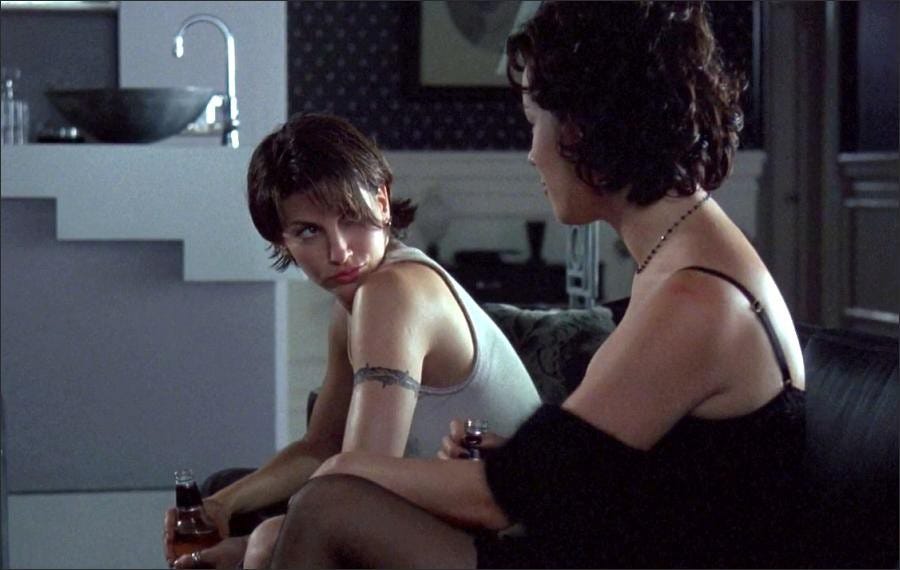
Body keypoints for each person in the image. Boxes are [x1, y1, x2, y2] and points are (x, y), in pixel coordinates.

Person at [265, 1, 807, 568]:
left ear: (583, 128)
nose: (531, 154)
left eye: (533, 122)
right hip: (607, 544)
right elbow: (623, 470)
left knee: (330, 504)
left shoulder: (696, 298)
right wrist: (516, 460)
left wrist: (346, 465)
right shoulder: (682, 261)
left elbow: (495, 501)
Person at [162, 113, 542, 569]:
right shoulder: (353, 306)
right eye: (308, 231)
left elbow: (350, 493)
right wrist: (222, 505)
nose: (339, 251)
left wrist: (245, 549)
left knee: (265, 541)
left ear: (381, 202)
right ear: (282, 242)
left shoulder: (392, 292)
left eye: (351, 218)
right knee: (229, 497)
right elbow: (321, 447)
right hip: (455, 528)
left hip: (522, 544)